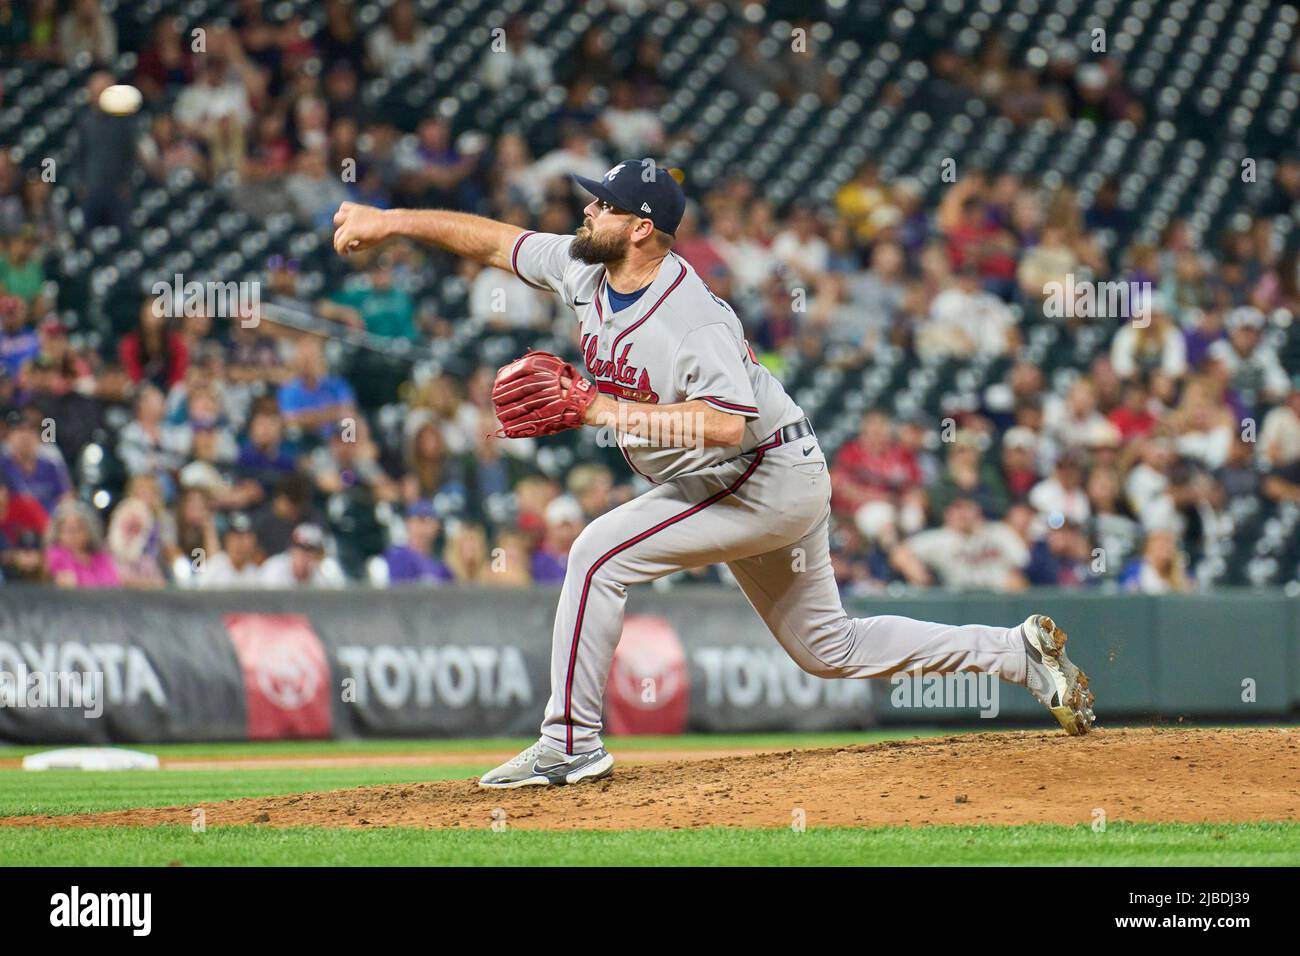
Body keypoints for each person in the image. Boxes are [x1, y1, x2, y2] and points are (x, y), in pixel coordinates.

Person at [331, 159, 1096, 789]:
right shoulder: (586, 269)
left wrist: (601, 411)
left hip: (759, 472)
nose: (585, 211)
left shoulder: (687, 316)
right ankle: (1016, 654)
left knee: (597, 554)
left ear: (641, 228)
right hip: (745, 474)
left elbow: (727, 422)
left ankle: (569, 743)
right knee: (829, 648)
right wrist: (391, 221)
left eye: (602, 204)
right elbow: (500, 243)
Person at [258, 522, 345, 588]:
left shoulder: (327, 572)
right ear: (291, 549)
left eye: (309, 550)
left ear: (319, 555)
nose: (302, 554)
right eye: (298, 548)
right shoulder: (274, 567)